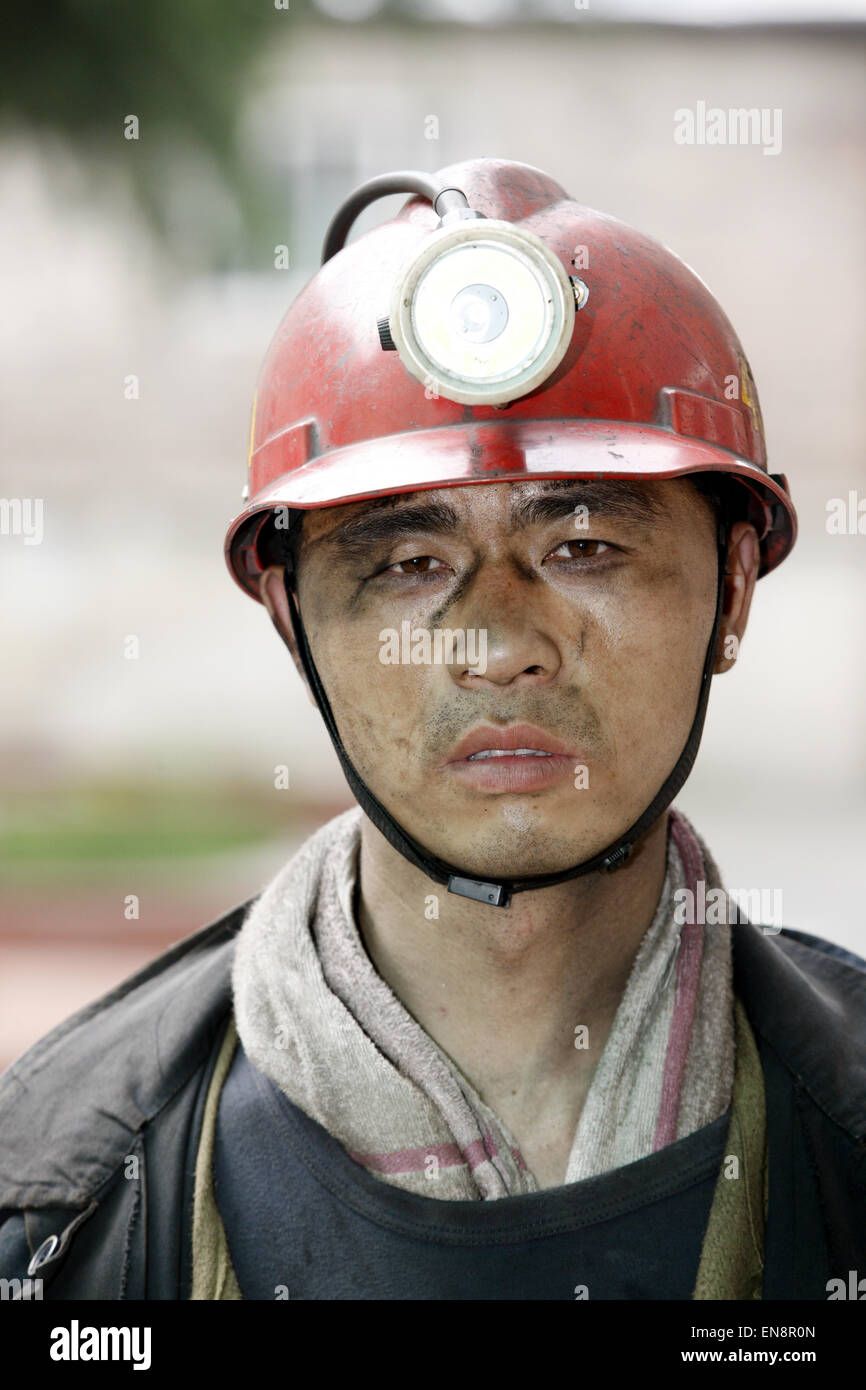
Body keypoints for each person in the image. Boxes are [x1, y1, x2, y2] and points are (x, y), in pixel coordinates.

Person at [1, 158, 864, 1302]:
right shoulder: (64, 1204)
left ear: (733, 588)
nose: (497, 644)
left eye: (584, 546)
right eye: (409, 563)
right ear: (289, 619)